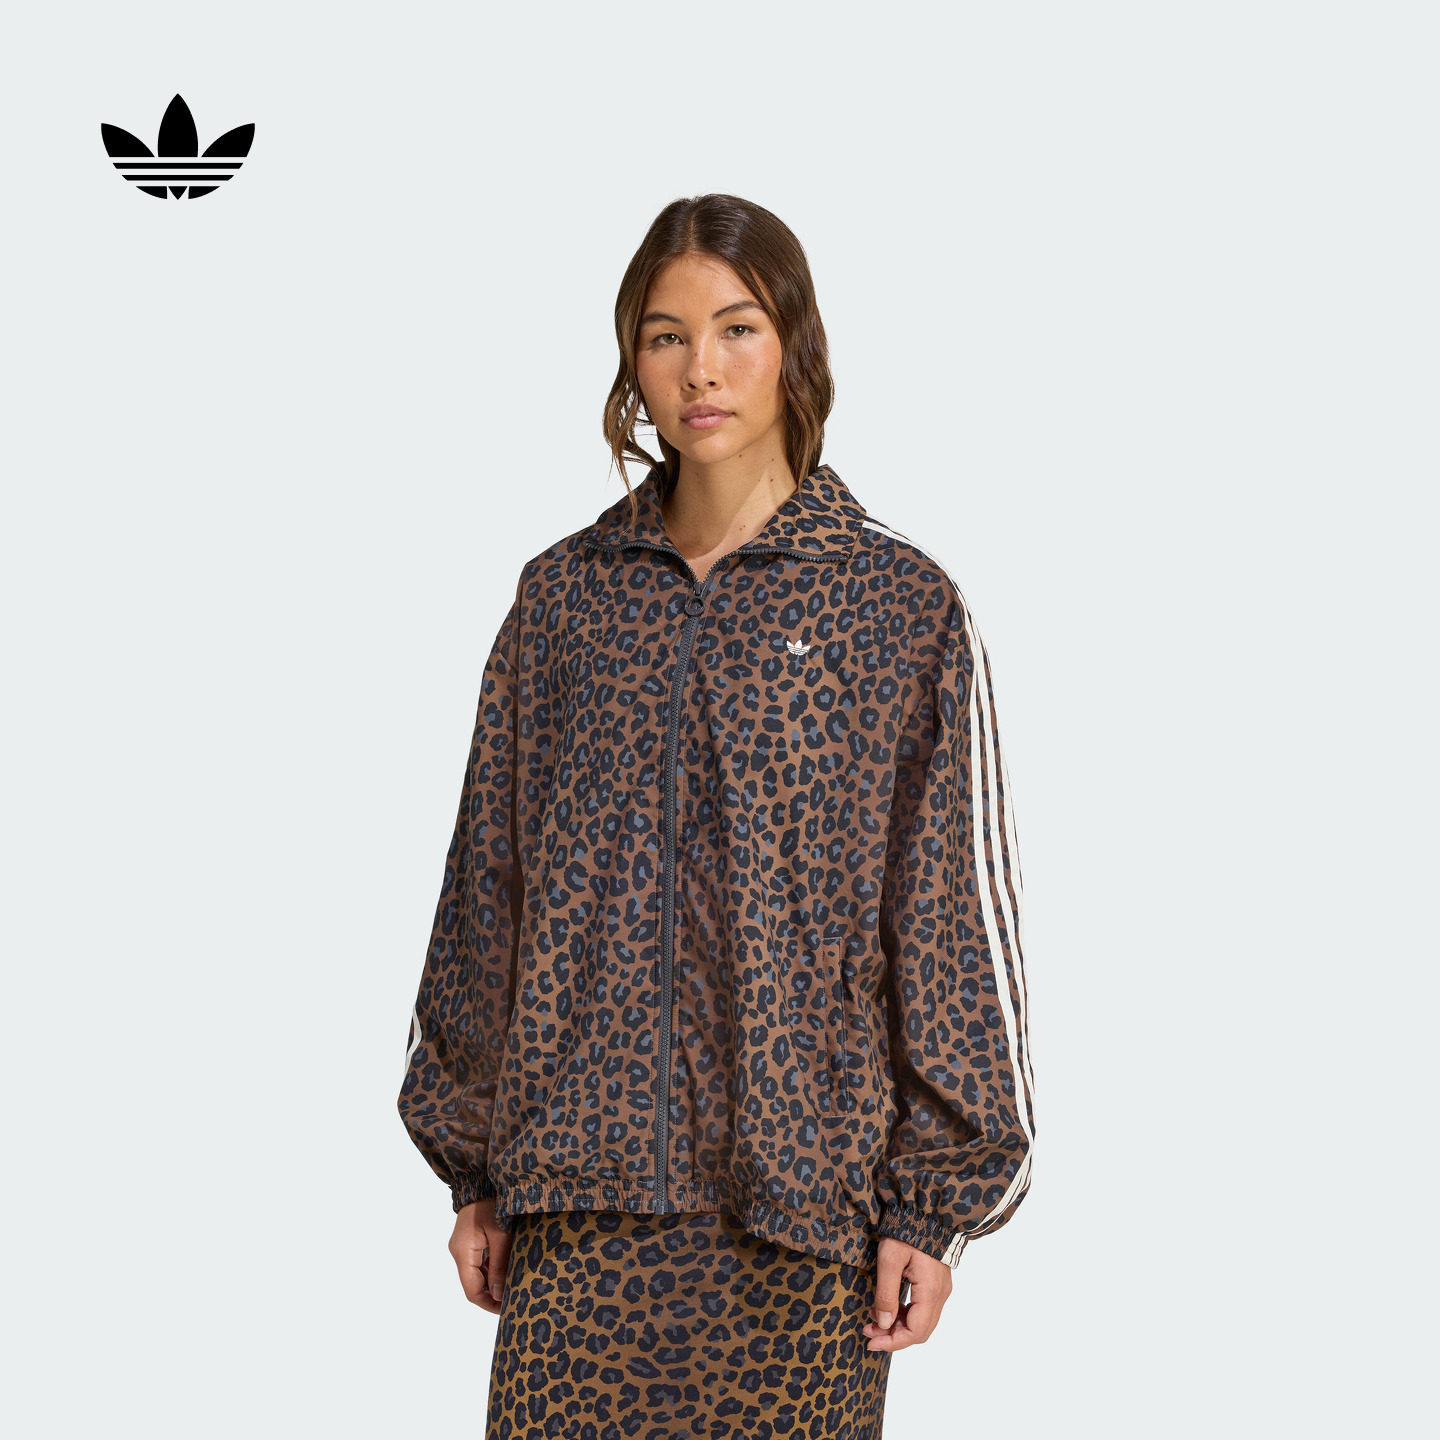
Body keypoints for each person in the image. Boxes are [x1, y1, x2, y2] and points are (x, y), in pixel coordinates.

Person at [397, 192, 1036, 1437]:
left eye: (737, 328)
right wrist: (470, 1163)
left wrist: (933, 1206)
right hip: (575, 1205)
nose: (701, 369)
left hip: (799, 1214)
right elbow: (488, 887)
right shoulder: (565, 601)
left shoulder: (897, 609)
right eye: (665, 335)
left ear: (794, 344)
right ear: (632, 361)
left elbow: (947, 919)